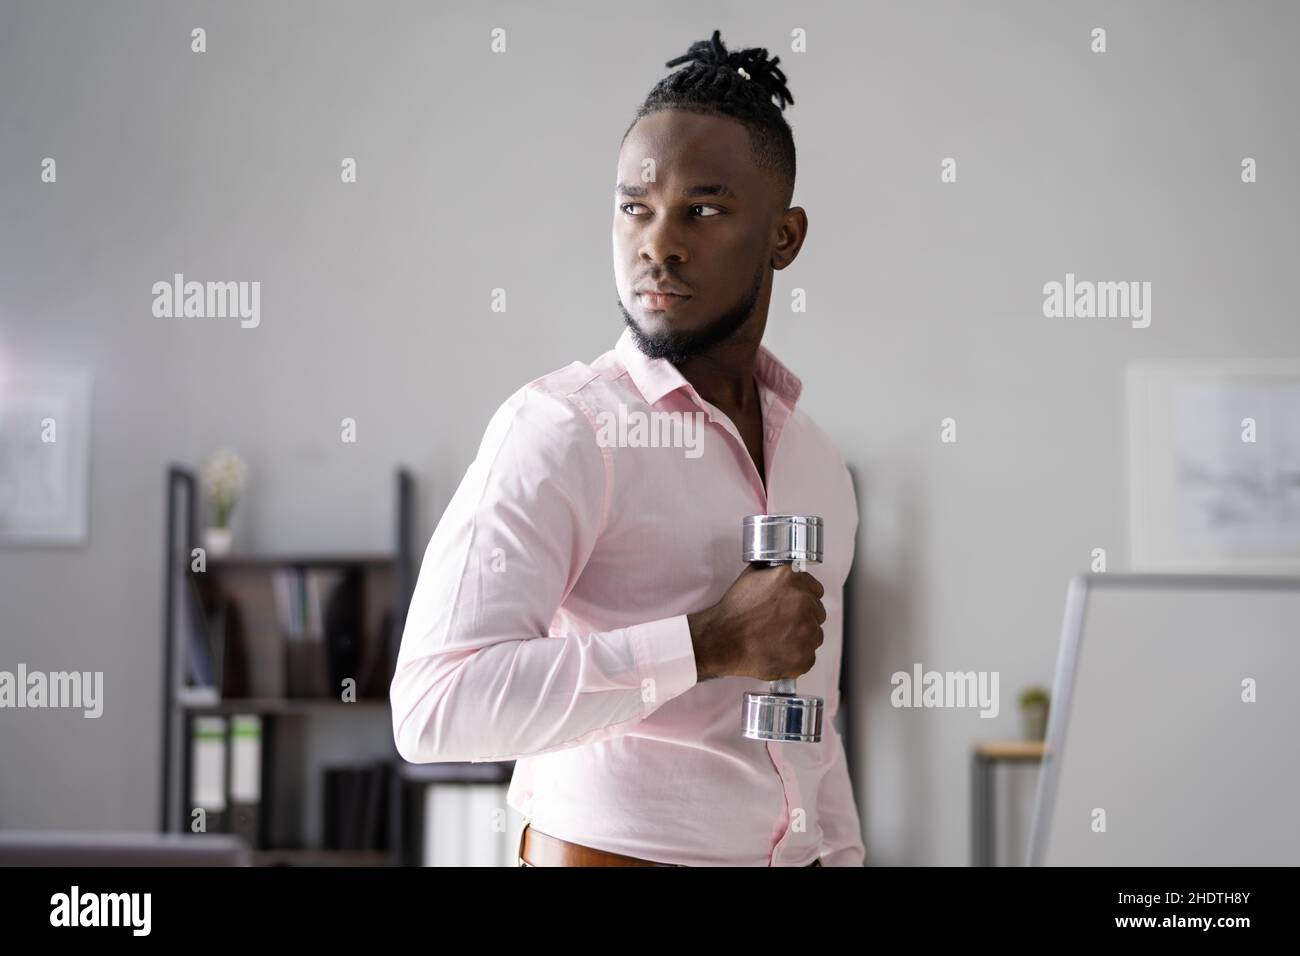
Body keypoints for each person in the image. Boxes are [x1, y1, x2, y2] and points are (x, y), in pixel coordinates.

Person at [391, 29, 864, 867]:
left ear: (784, 238)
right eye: (634, 208)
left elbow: (812, 728)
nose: (657, 244)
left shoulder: (819, 463)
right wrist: (705, 643)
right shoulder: (562, 430)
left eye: (704, 210)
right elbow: (434, 706)